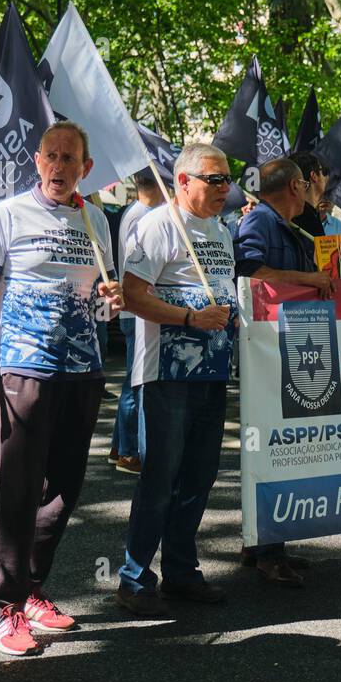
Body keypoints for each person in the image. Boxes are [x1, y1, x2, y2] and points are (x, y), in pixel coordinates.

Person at [0, 121, 124, 656]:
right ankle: (4, 608)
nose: (59, 166)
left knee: (63, 492)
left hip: (83, 373)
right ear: (37, 162)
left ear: (86, 167)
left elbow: (103, 303)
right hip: (24, 371)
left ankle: (33, 590)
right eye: (50, 156)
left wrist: (112, 301)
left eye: (69, 158)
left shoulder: (95, 218)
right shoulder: (9, 214)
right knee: (18, 491)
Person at [114, 143, 236, 615]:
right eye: (215, 179)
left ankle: (181, 572)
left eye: (227, 178)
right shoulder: (156, 225)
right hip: (165, 374)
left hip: (213, 373)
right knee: (160, 477)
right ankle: (133, 576)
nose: (225, 187)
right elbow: (131, 295)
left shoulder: (222, 231)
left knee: (199, 476)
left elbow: (222, 294)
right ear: (183, 181)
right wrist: (190, 319)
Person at [235, 158, 334, 586]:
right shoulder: (259, 220)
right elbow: (250, 272)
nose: (313, 190)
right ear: (296, 185)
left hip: (293, 346)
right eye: (308, 184)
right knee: (272, 450)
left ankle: (264, 541)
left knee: (285, 451)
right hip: (268, 354)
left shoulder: (290, 226)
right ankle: (266, 550)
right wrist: (307, 278)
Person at [110, 168, 164, 475]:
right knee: (136, 382)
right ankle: (129, 454)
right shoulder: (142, 217)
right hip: (136, 310)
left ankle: (120, 445)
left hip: (135, 308)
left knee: (133, 378)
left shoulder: (137, 213)